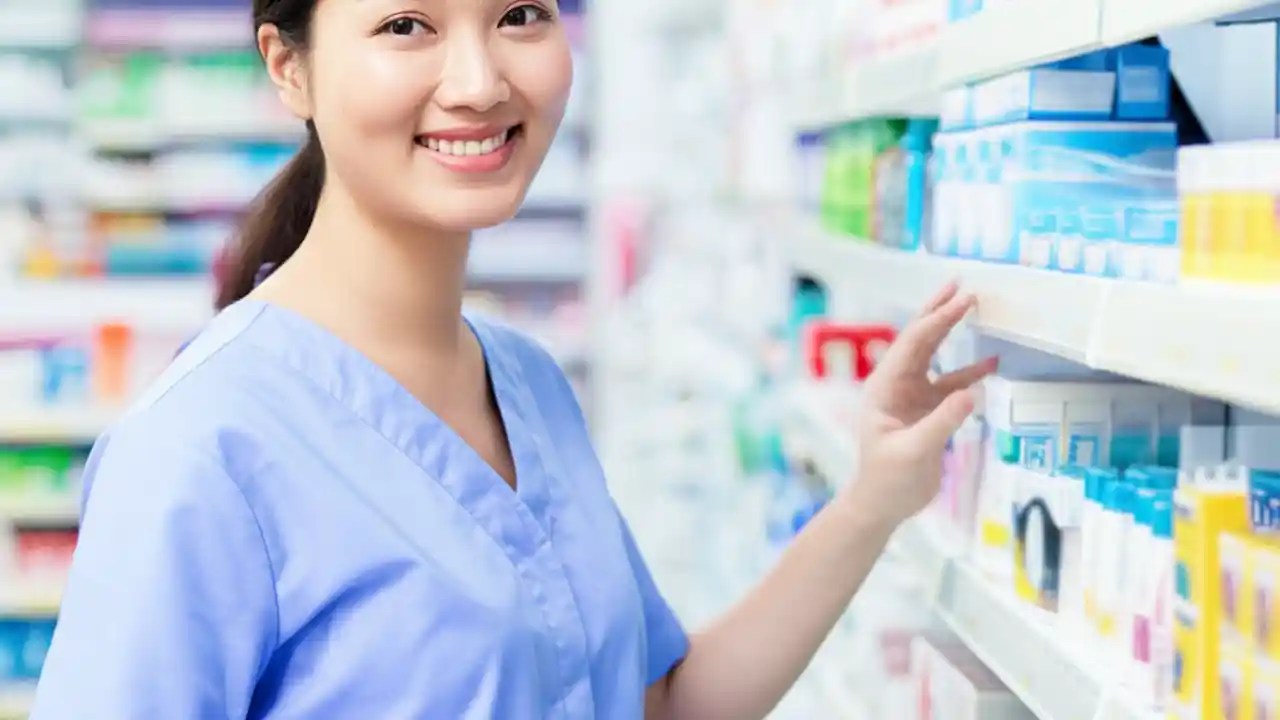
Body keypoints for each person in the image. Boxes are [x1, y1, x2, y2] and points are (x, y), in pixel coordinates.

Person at [30, 0, 996, 717]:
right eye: (407, 26)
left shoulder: (527, 383)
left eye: (519, 16)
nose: (480, 82)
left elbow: (655, 704)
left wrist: (872, 498)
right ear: (290, 67)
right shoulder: (203, 449)